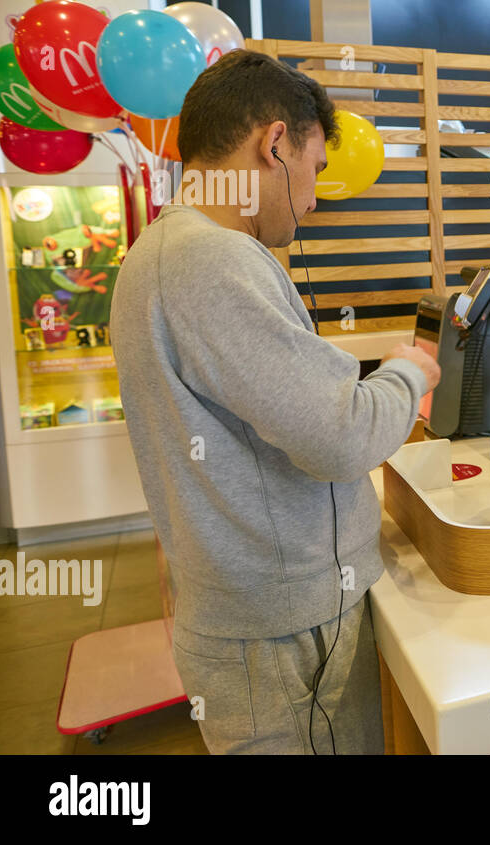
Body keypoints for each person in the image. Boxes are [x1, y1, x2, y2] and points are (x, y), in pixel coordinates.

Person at [110, 50, 440, 753]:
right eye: (315, 170)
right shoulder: (212, 259)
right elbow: (341, 434)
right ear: (275, 142)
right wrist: (411, 374)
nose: (315, 197)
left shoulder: (162, 253)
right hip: (282, 638)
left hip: (251, 626)